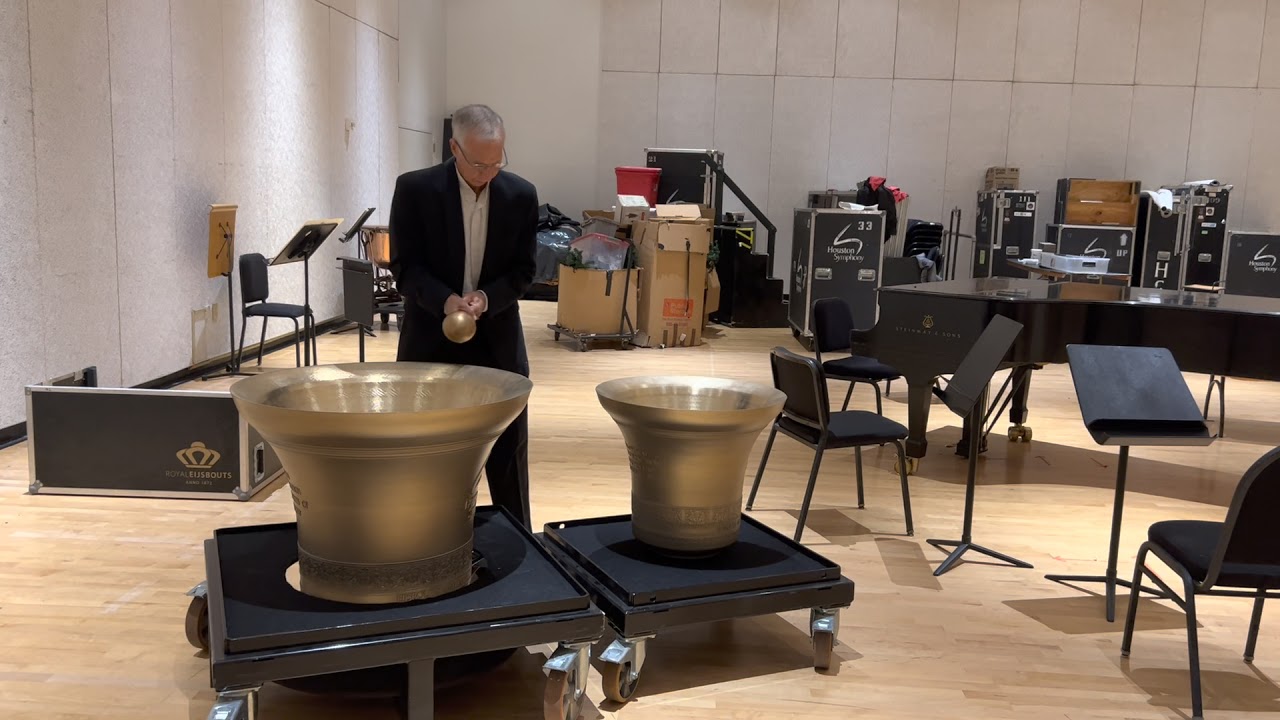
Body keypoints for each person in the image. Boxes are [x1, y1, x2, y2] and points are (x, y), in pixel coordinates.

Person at [388, 104, 538, 530]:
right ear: (454, 148)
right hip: (429, 339)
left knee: (508, 451)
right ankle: (424, 535)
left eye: (497, 162)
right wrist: (445, 300)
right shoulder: (415, 190)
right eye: (478, 164)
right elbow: (405, 266)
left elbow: (524, 271)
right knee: (426, 449)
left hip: (498, 339)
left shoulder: (521, 195)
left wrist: (486, 299)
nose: (487, 173)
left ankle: (520, 541)